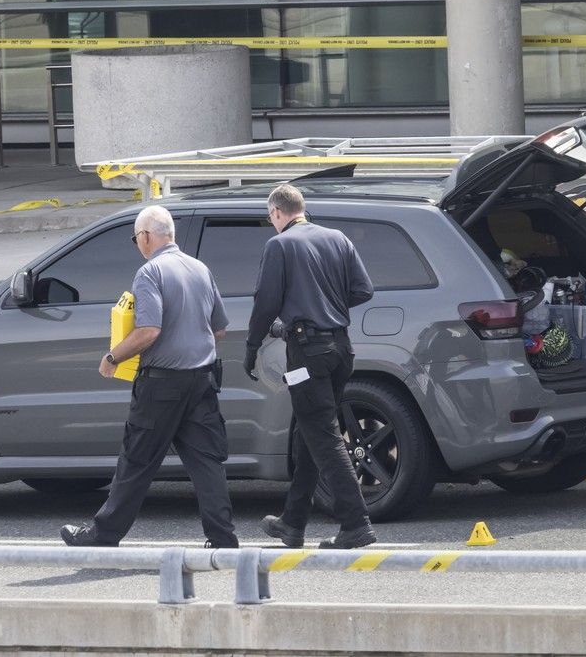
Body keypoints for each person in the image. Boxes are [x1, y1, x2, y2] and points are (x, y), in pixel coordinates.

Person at [61, 205, 238, 548]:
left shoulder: (150, 273)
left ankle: (102, 535)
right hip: (201, 380)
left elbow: (149, 331)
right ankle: (223, 538)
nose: (137, 243)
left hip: (162, 384)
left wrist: (113, 357)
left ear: (145, 236)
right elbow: (219, 330)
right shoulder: (200, 268)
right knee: (206, 462)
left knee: (137, 461)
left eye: (135, 238)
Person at [245, 184, 376, 549]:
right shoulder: (337, 239)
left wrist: (253, 343)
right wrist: (328, 305)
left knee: (325, 437)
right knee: (310, 435)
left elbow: (266, 300)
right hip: (341, 350)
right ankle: (293, 522)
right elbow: (363, 290)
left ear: (276, 212)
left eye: (270, 217)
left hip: (307, 353)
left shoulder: (280, 245)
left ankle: (356, 522)